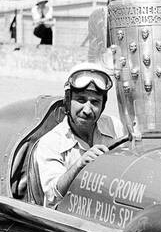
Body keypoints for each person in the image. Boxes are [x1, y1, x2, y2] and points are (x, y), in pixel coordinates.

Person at [32, 64, 120, 204]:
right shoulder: (50, 143)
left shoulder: (115, 127)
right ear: (67, 101)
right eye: (81, 100)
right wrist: (79, 165)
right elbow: (53, 196)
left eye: (95, 102)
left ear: (103, 106)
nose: (87, 110)